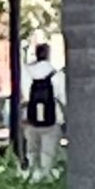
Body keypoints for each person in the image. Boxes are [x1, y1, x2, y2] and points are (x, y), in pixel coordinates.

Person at [26, 43, 63, 174]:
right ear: (48, 54)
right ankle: (46, 176)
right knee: (47, 155)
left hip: (30, 121)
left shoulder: (27, 73)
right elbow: (63, 98)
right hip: (52, 121)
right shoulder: (56, 75)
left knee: (32, 153)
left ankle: (33, 176)